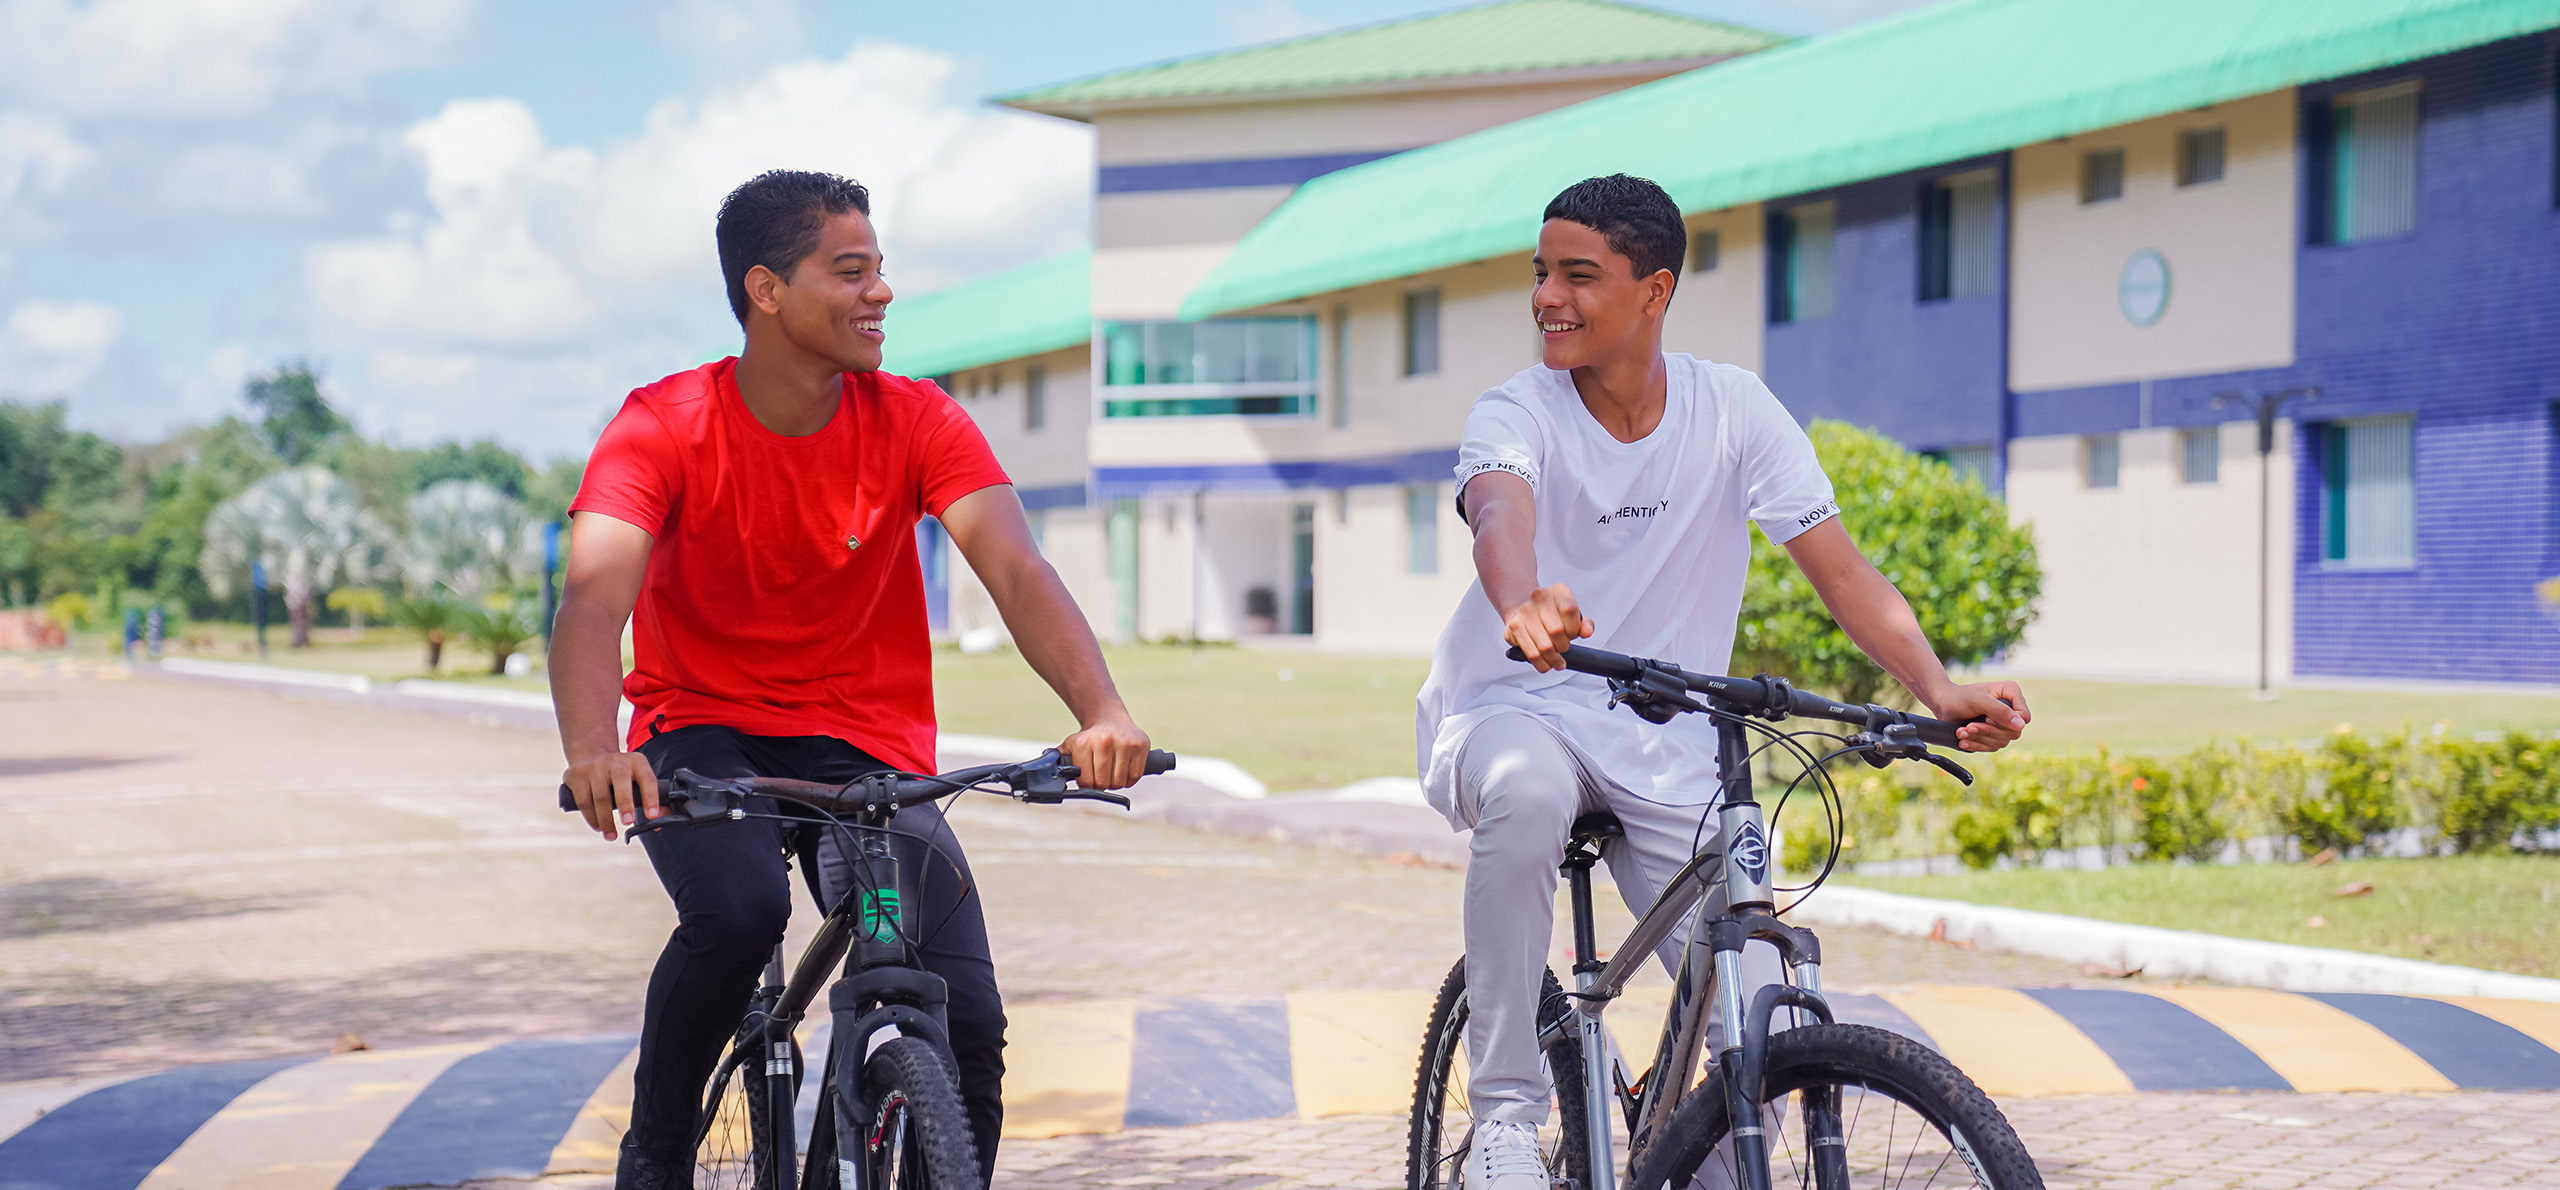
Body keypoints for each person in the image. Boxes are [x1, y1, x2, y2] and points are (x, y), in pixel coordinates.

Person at [1413, 174, 2031, 1190]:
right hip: (1516, 704)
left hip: (1666, 732)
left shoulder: (1732, 407)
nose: (1546, 299)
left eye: (1578, 276)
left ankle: (1691, 1122)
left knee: (1746, 979)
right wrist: (1522, 602)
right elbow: (1498, 511)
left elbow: (1841, 569)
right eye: (1540, 275)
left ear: (1654, 292)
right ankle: (1507, 1119)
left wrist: (1934, 687)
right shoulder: (1515, 410)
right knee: (1523, 792)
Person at [551, 169, 1152, 1190]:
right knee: (738, 915)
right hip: (706, 736)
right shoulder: (662, 424)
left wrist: (1100, 709)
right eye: (851, 269)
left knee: (960, 1016)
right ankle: (656, 1150)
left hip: (865, 751)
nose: (880, 292)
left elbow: (1015, 568)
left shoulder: (916, 418)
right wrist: (592, 748)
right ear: (766, 290)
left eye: (881, 269)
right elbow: (594, 600)